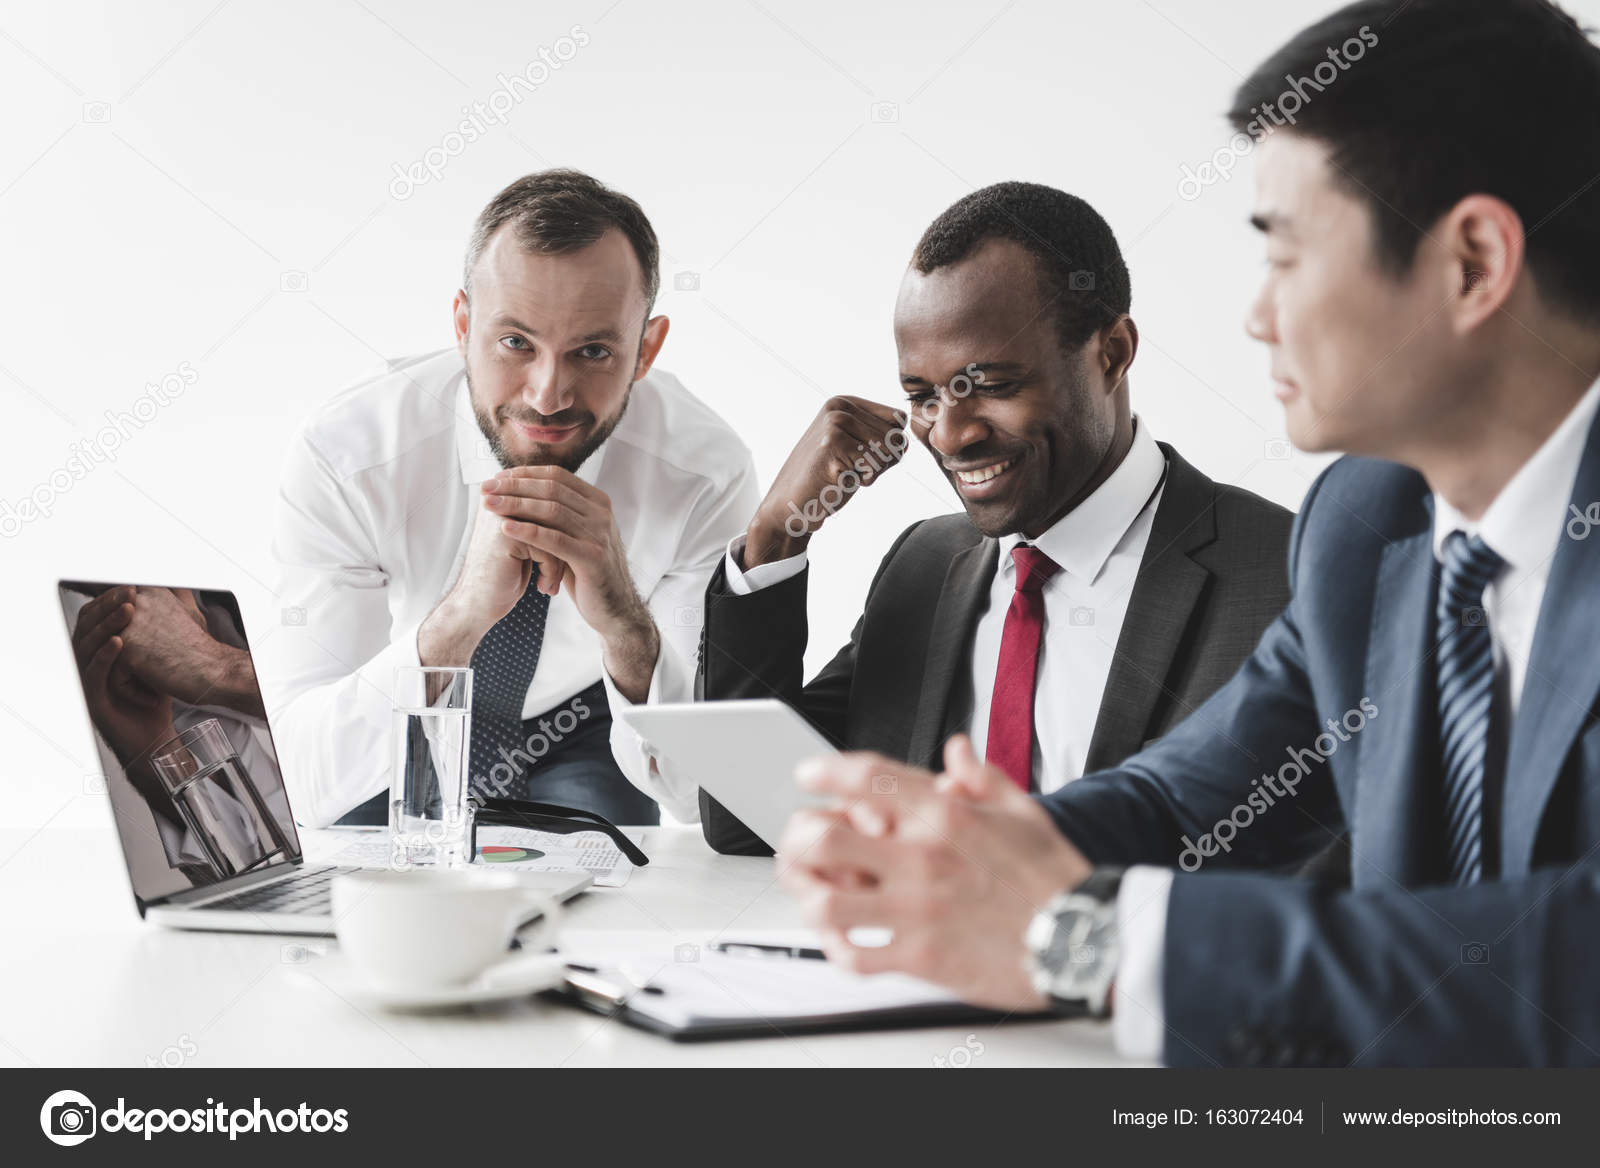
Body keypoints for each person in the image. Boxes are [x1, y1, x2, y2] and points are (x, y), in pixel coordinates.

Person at [778, 0, 1600, 1067]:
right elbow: (1187, 796)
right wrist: (979, 852)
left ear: (1472, 263)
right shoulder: (1368, 522)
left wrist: (1096, 941)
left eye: (1286, 257)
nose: (1255, 316)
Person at [687, 182, 1294, 854]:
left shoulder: (1284, 572)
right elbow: (747, 817)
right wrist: (775, 536)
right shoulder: (923, 567)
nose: (948, 436)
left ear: (1113, 353)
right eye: (921, 395)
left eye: (994, 387)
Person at [262, 169, 758, 828]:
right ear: (463, 324)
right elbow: (293, 781)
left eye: (593, 351)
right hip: (413, 700)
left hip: (589, 723)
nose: (548, 395)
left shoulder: (703, 471)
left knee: (603, 906)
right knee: (367, 905)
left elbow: (706, 800)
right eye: (515, 343)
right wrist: (457, 620)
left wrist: (626, 627)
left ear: (647, 348)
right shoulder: (350, 456)